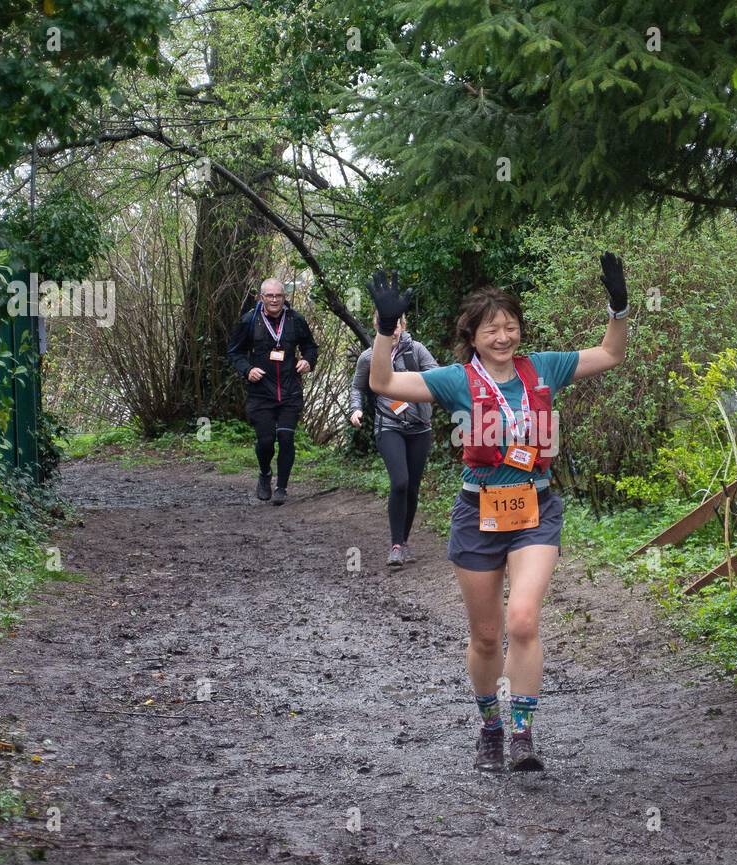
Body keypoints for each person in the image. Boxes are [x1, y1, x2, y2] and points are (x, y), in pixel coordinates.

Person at [366, 254, 629, 772]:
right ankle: (490, 726)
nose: (503, 336)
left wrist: (618, 307)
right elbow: (384, 384)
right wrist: (383, 331)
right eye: (492, 329)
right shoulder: (454, 379)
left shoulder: (545, 367)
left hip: (535, 508)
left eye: (510, 327)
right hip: (477, 511)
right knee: (487, 637)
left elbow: (609, 354)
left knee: (524, 619)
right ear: (473, 334)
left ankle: (523, 734)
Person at [348, 313, 439, 566]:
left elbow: (436, 376)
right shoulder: (369, 357)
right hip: (388, 425)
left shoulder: (417, 350)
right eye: (386, 325)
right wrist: (356, 409)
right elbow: (357, 387)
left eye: (396, 324)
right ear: (377, 326)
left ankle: (404, 541)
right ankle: (396, 545)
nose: (393, 329)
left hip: (420, 426)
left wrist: (413, 386)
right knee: (399, 481)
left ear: (403, 325)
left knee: (411, 487)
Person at [226, 278, 319, 505]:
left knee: (286, 437)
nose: (274, 300)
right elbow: (234, 352)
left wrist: (308, 361)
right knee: (266, 441)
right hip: (261, 393)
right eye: (270, 296)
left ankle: (282, 487)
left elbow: (310, 347)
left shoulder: (296, 320)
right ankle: (265, 474)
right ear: (262, 298)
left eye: (278, 296)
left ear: (284, 297)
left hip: (290, 391)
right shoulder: (249, 321)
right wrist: (247, 370)